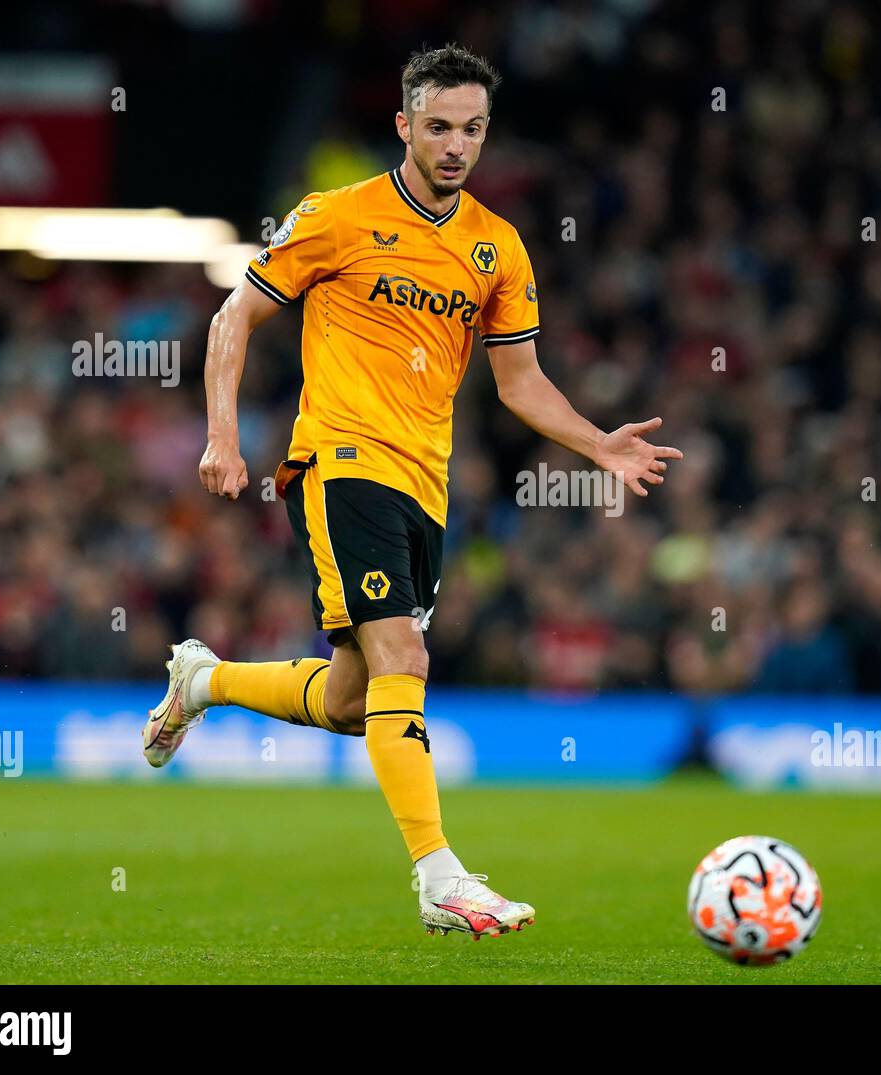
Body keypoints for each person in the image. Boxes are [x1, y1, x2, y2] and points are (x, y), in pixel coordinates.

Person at [141, 43, 681, 939]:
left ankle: (203, 680)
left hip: (426, 485)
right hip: (342, 459)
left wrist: (598, 444)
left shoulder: (496, 247)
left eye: (472, 129)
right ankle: (440, 877)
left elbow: (519, 381)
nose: (456, 144)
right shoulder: (337, 216)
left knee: (354, 700)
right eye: (438, 127)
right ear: (403, 125)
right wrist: (223, 435)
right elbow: (236, 313)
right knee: (406, 658)